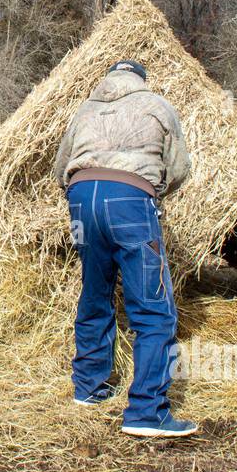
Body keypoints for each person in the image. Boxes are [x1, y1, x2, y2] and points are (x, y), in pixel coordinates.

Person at [53, 59, 196, 438]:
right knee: (152, 305)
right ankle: (147, 412)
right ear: (139, 80)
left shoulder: (84, 109)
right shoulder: (157, 106)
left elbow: (60, 166)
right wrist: (153, 190)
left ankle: (89, 389)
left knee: (96, 292)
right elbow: (178, 166)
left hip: (81, 197)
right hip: (129, 199)